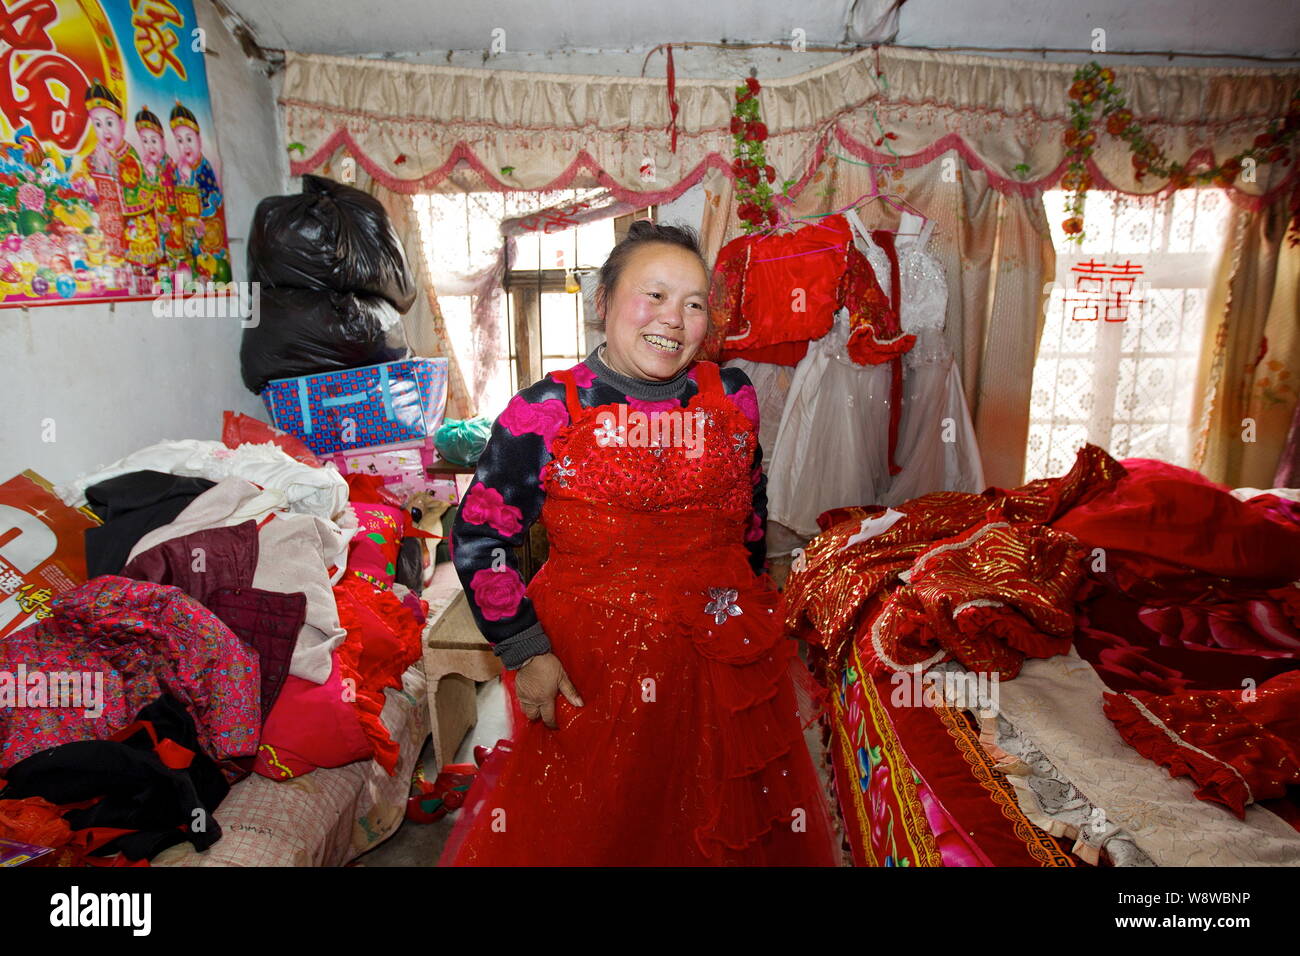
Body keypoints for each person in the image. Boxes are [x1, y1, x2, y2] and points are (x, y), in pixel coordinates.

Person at [441, 220, 840, 866]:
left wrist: (752, 612)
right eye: (653, 296)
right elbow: (480, 535)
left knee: (717, 824)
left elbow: (751, 513)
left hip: (717, 663)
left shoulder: (733, 397)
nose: (674, 320)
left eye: (692, 304)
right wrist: (524, 649)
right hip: (591, 675)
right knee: (600, 830)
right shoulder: (548, 410)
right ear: (603, 302)